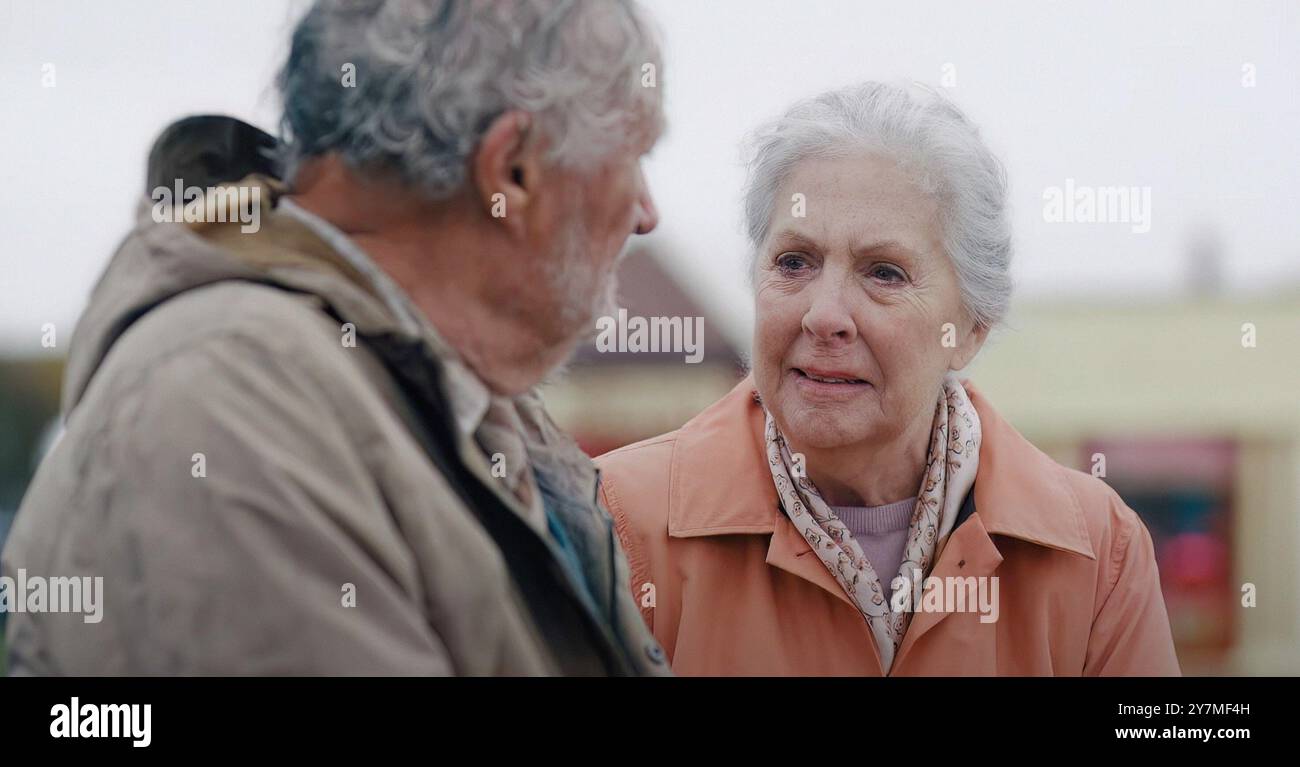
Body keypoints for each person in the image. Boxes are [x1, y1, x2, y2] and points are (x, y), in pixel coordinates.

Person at [3, 0, 670, 676]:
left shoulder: (440, 389)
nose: (646, 213)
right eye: (634, 156)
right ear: (513, 170)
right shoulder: (231, 405)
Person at [596, 82, 1181, 676]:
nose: (824, 316)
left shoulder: (1097, 551)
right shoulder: (614, 522)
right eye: (794, 262)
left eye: (884, 273)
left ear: (972, 327)